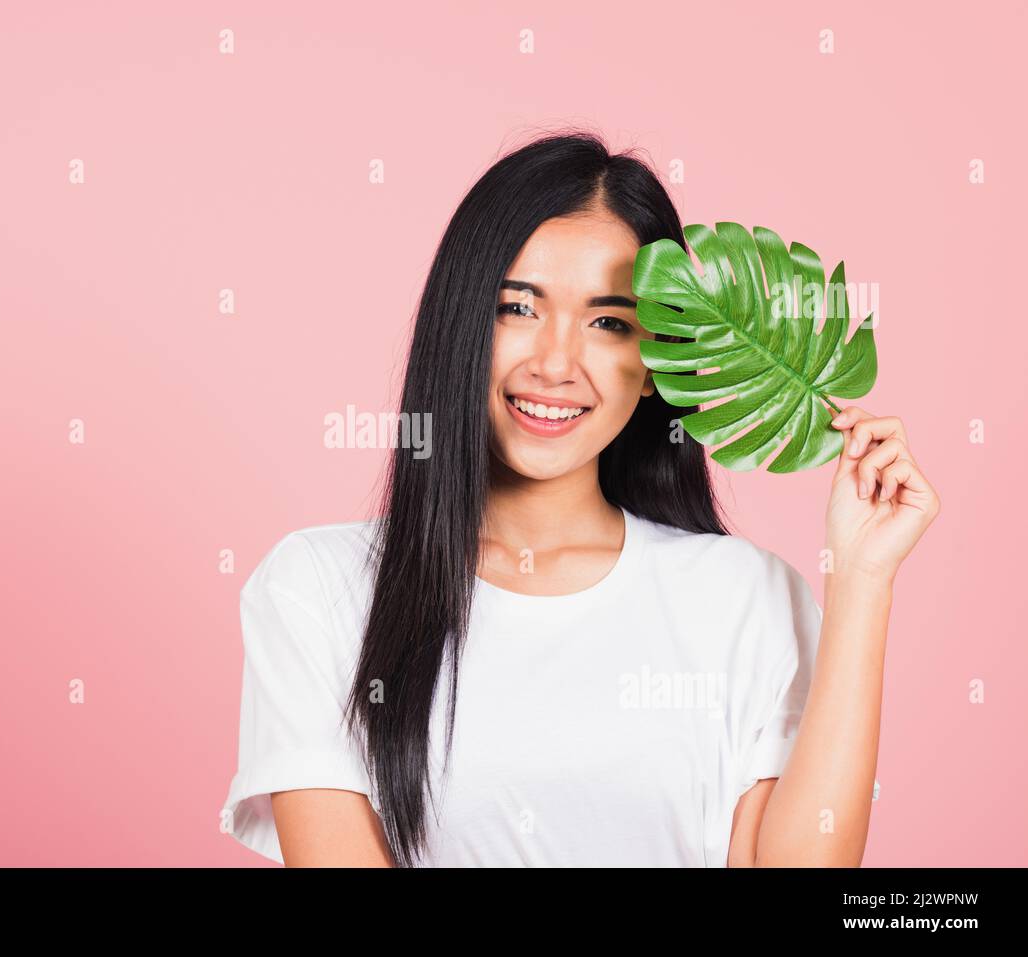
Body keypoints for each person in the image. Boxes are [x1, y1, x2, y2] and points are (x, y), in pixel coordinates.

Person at [221, 131, 941, 867]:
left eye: (608, 321)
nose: (556, 363)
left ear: (661, 361)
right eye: (517, 308)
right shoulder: (317, 588)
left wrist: (861, 578)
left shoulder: (747, 598)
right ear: (460, 321)